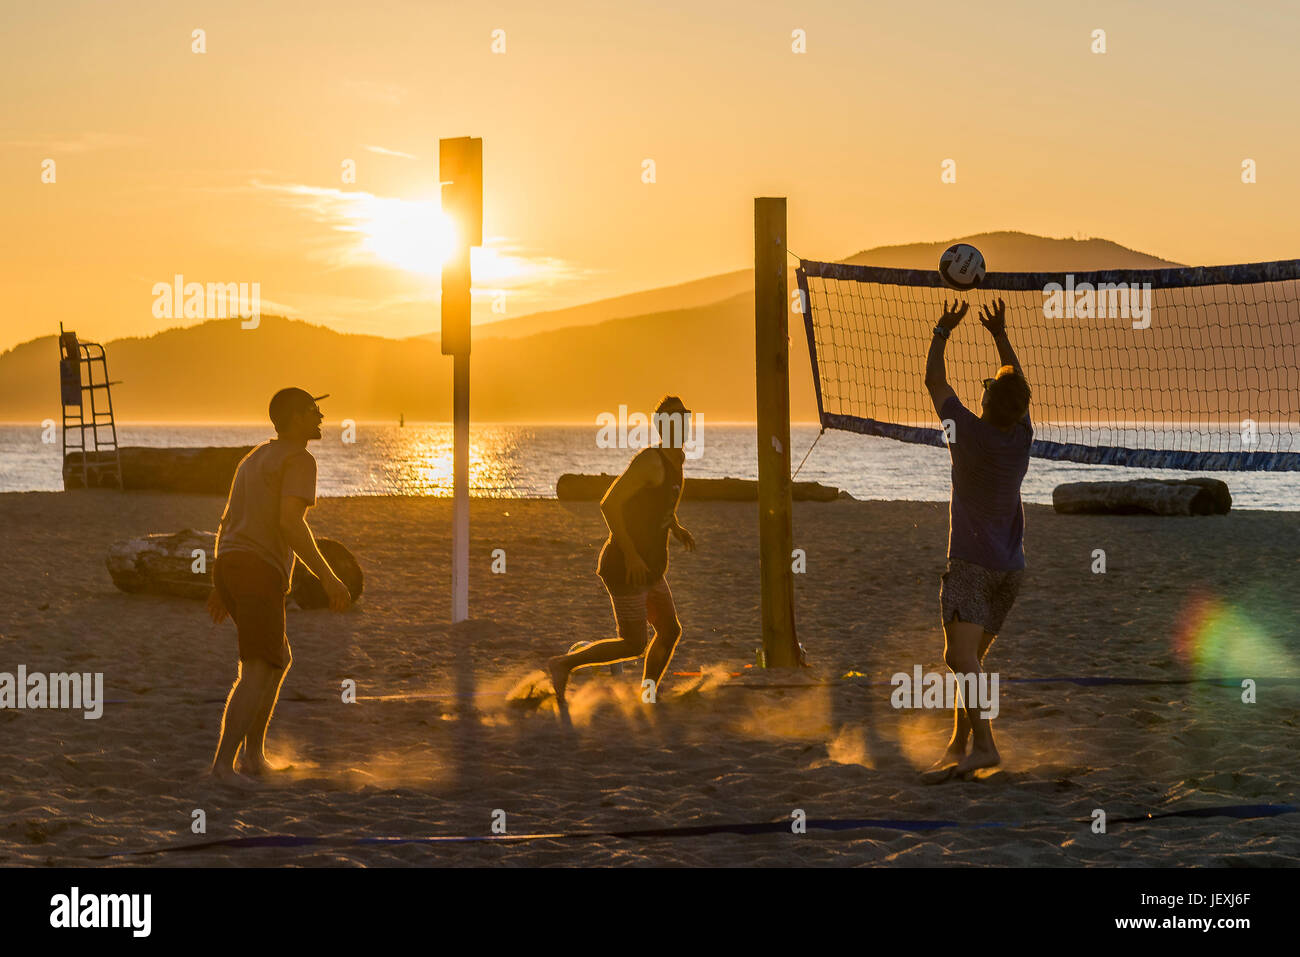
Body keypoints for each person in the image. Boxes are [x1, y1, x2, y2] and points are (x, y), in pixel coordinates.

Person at [207, 387, 351, 782]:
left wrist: (220, 584)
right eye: (314, 410)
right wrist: (329, 576)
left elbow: (226, 521)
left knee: (278, 658)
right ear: (295, 417)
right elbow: (291, 524)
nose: (321, 417)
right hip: (257, 569)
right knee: (257, 667)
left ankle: (254, 756)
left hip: (232, 564)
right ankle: (224, 766)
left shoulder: (255, 456)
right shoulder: (299, 459)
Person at [922, 298, 1032, 781]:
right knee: (971, 660)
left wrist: (943, 331)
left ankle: (984, 746)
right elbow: (1018, 387)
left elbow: (934, 382)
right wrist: (1000, 335)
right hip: (1010, 569)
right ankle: (959, 742)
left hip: (971, 564)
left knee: (959, 657)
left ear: (986, 402)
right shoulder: (1023, 436)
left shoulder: (964, 431)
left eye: (987, 387)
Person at [548, 396, 696, 716]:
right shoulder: (649, 461)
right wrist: (631, 555)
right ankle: (563, 664)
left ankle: (648, 694)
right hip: (625, 566)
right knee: (632, 644)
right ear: (662, 426)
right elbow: (609, 504)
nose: (681, 426)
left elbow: (659, 505)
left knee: (670, 631)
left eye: (684, 420)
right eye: (674, 421)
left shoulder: (677, 459)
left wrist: (676, 528)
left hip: (650, 567)